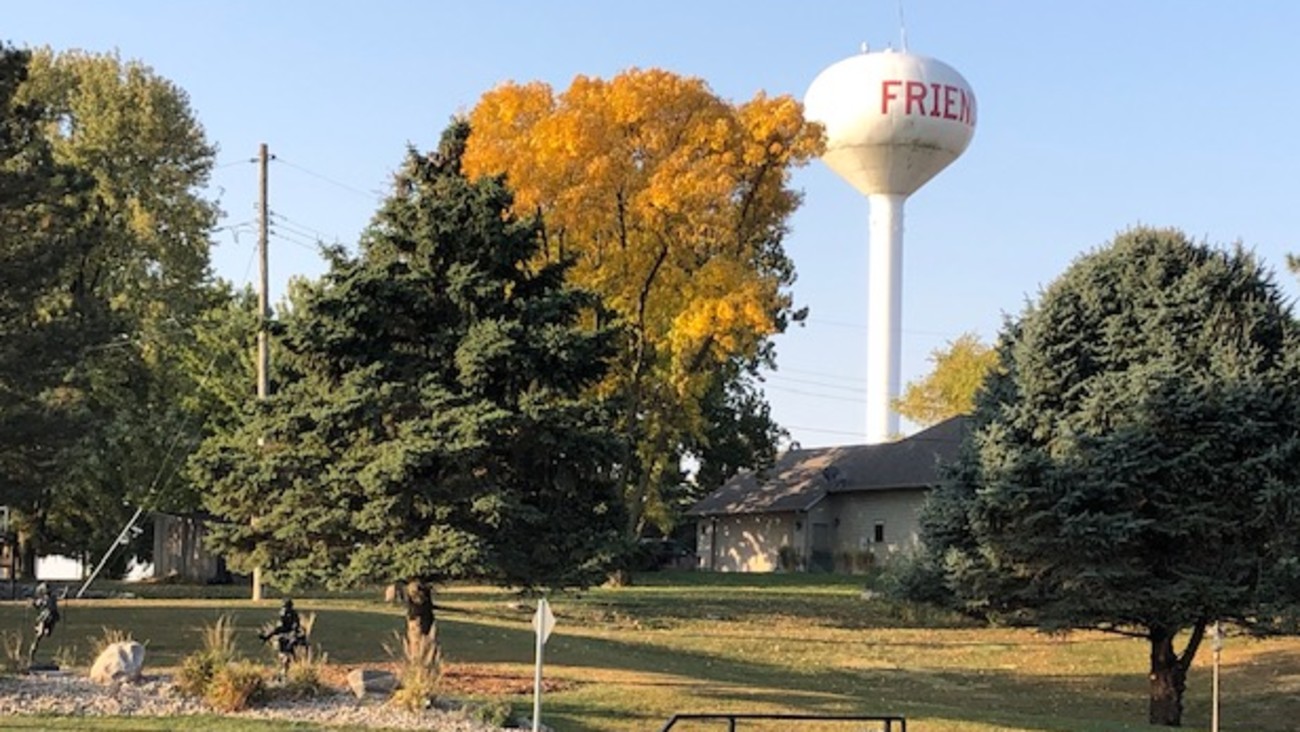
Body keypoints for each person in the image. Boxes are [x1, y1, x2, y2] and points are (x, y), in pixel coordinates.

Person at [259, 598, 308, 678]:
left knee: (289, 650)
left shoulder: (293, 614)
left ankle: (290, 665)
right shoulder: (283, 612)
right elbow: (281, 625)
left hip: (292, 632)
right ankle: (284, 668)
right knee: (284, 654)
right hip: (285, 631)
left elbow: (296, 625)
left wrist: (294, 632)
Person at [28, 582, 60, 663]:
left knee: (47, 633)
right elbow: (37, 605)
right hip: (45, 617)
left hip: (52, 617)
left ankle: (38, 629)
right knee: (40, 635)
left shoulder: (53, 597)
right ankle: (32, 654)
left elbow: (55, 602)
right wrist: (33, 603)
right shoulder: (43, 599)